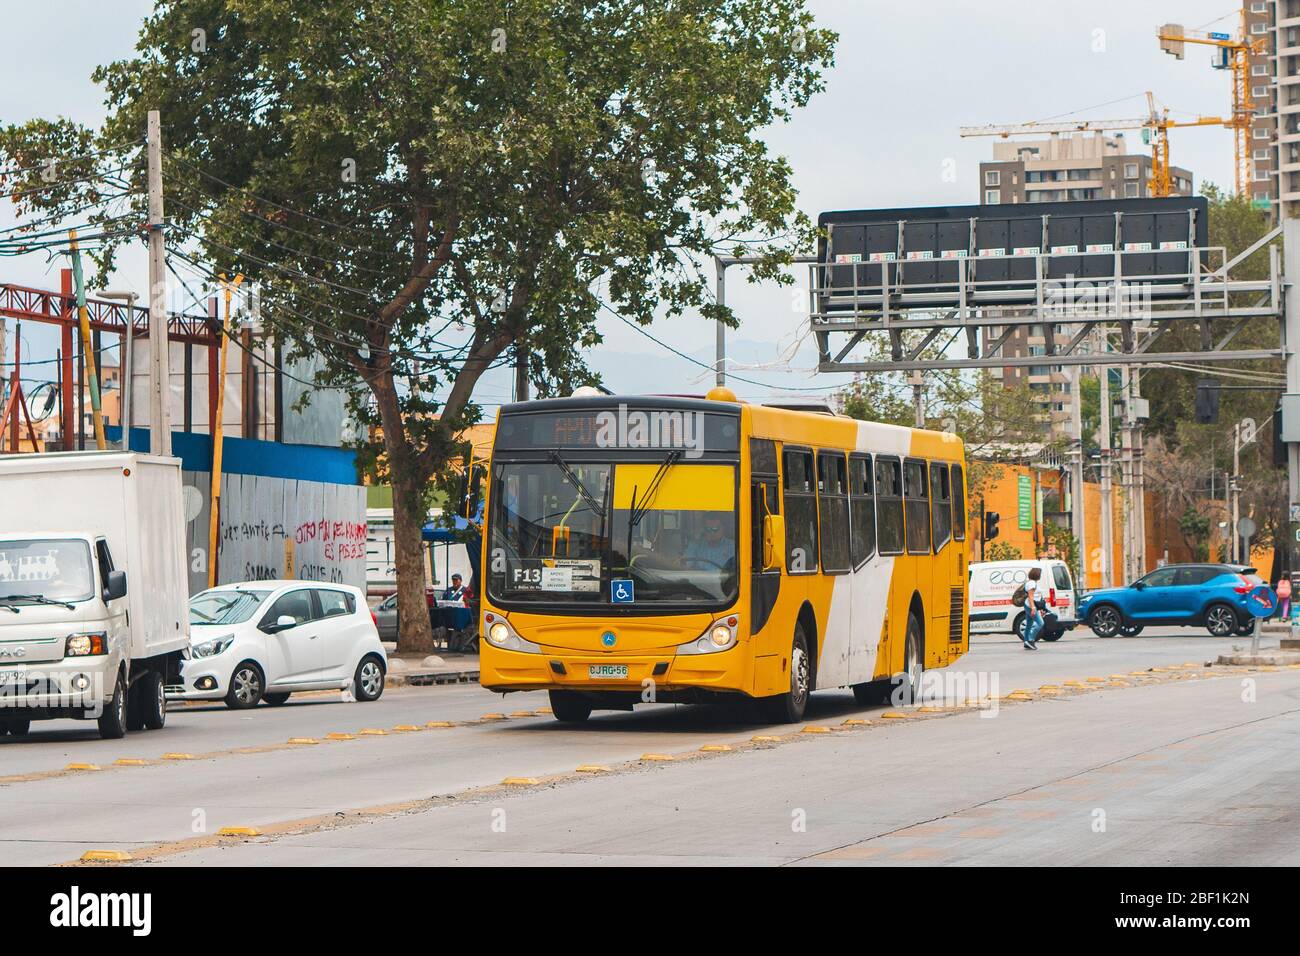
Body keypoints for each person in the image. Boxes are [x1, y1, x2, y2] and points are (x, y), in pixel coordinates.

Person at [1021, 567, 1044, 650]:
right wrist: (1033, 608)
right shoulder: (1032, 584)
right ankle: (1030, 639)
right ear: (1037, 574)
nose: (1040, 575)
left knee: (1029, 624)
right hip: (1030, 606)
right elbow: (1030, 596)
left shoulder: (1032, 582)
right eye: (1040, 574)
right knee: (1040, 623)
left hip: (1029, 605)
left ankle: (1026, 642)